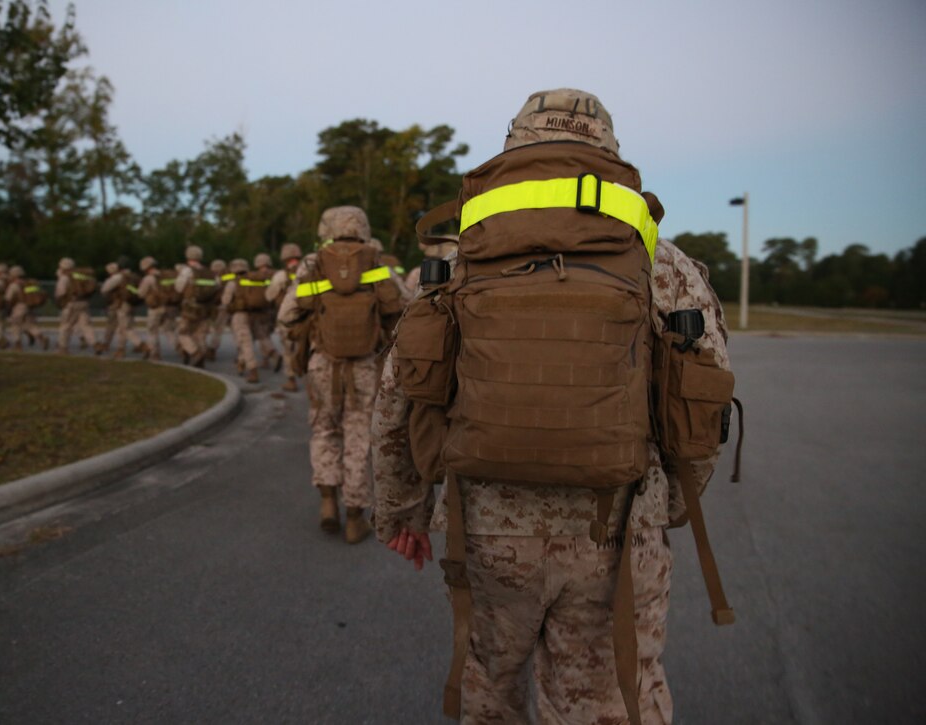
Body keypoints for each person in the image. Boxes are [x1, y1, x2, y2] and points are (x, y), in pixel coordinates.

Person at [371, 88, 731, 724]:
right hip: (618, 529)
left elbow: (403, 389)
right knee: (610, 696)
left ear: (515, 151)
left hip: (488, 528)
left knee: (489, 679)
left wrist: (402, 508)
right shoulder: (664, 264)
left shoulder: (461, 261)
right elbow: (704, 395)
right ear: (608, 154)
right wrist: (668, 503)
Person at [279, 206, 404, 544]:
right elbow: (404, 308)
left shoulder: (311, 263)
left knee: (324, 431)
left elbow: (287, 314)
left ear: (330, 228)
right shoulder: (376, 263)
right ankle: (355, 518)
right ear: (363, 227)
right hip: (364, 364)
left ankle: (327, 504)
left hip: (322, 364)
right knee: (359, 436)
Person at [265, 243, 303, 391]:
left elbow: (269, 295)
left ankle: (291, 380)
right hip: (308, 317)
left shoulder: (281, 275)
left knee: (288, 350)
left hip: (288, 317)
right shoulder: (310, 269)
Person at [174, 245, 219, 367]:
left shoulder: (187, 271)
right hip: (206, 309)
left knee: (182, 333)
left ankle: (195, 353)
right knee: (200, 335)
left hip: (190, 309)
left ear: (188, 256)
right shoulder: (211, 273)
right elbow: (217, 288)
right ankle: (201, 359)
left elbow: (178, 288)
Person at [100, 259, 149, 359]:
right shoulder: (134, 276)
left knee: (126, 329)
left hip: (122, 304)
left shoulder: (119, 277)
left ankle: (142, 345)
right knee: (123, 328)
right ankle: (120, 350)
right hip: (132, 304)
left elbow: (104, 288)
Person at [54, 257, 98, 354]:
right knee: (86, 325)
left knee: (66, 326)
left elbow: (60, 292)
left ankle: (63, 348)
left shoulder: (65, 277)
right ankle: (95, 344)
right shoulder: (80, 275)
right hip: (84, 302)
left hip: (71, 303)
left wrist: (59, 301)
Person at [4, 265, 49, 350]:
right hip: (30, 306)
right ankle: (41, 337)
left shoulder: (13, 285)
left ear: (13, 275)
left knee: (15, 325)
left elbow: (8, 299)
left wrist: (8, 309)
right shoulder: (28, 283)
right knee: (30, 325)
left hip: (18, 307)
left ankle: (18, 344)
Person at [136, 256, 166, 360]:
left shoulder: (148, 278)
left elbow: (140, 293)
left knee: (152, 330)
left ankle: (154, 353)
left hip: (154, 307)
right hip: (165, 305)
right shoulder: (163, 276)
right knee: (160, 330)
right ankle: (154, 351)